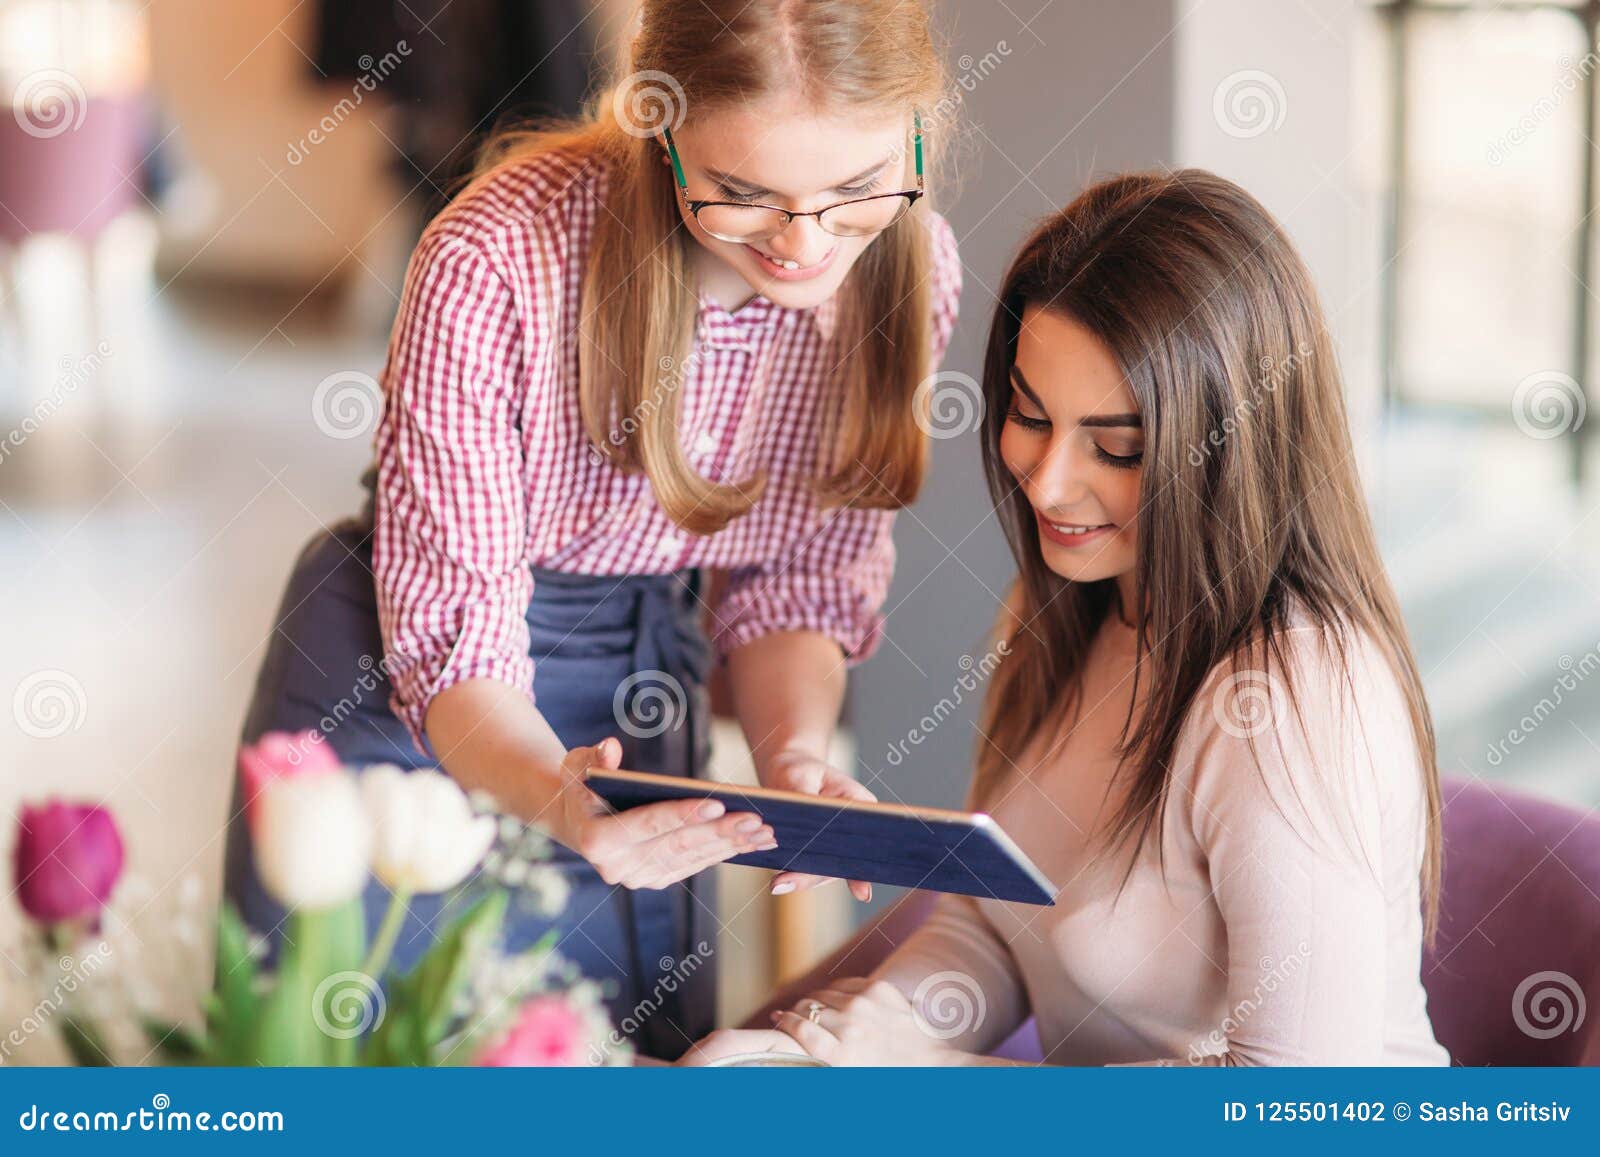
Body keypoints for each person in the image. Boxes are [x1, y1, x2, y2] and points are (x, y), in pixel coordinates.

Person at [222, 0, 961, 1061]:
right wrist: (557, 800)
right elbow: (459, 643)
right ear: (660, 133)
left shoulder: (909, 267)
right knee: (362, 1058)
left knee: (602, 1049)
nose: (805, 244)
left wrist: (792, 760)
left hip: (633, 680)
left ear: (918, 133)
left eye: (853, 190)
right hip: (412, 675)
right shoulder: (496, 259)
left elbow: (791, 583)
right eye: (743, 196)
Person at [686, 169, 1449, 1066]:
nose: (1045, 482)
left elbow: (1303, 1106)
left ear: (1234, 449)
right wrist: (851, 1038)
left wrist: (926, 1074)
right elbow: (995, 927)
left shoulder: (1293, 696)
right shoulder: (1066, 610)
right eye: (1029, 414)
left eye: (1116, 447)